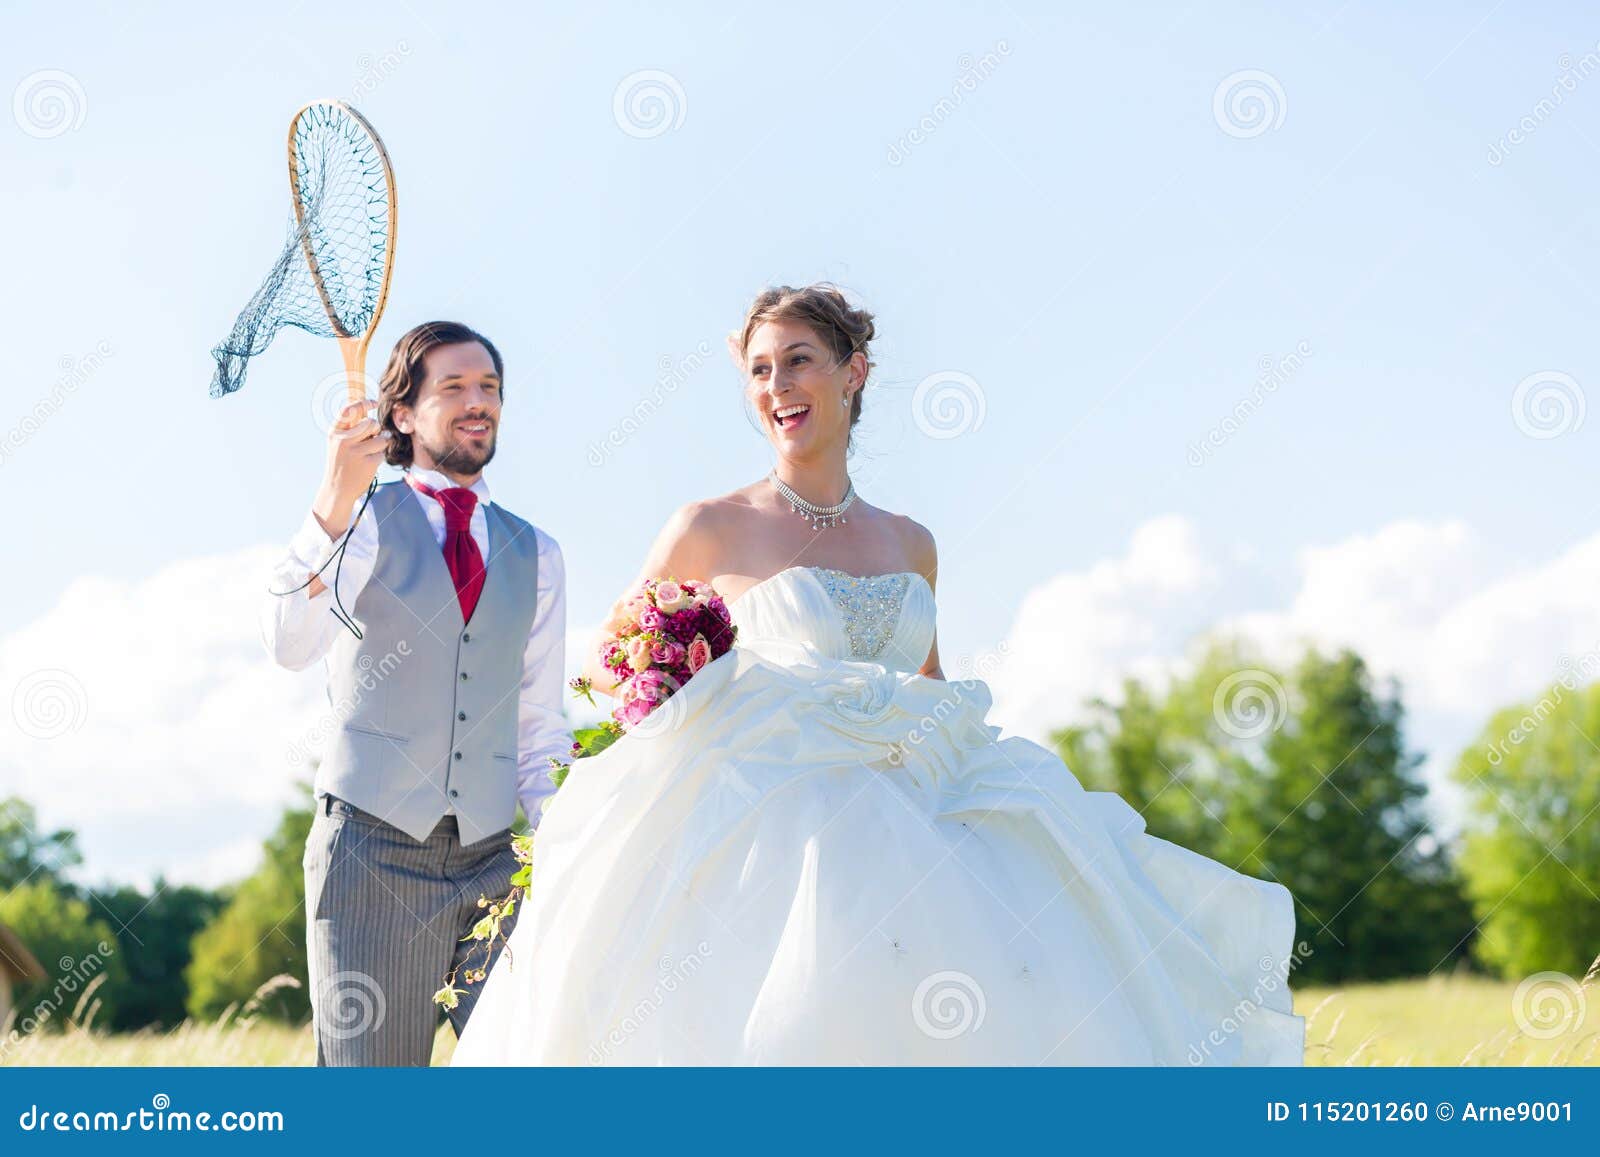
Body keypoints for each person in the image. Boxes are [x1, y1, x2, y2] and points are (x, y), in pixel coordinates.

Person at [451, 286, 1305, 1065]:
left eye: (798, 361)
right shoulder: (709, 526)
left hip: (927, 826)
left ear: (853, 372)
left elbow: (930, 688)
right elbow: (615, 668)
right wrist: (679, 671)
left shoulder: (911, 542)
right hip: (770, 827)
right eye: (758, 369)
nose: (775, 385)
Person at [260, 320, 570, 1065]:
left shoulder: (539, 553)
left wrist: (563, 841)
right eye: (454, 387)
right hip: (371, 853)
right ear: (403, 413)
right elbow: (288, 642)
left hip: (501, 860)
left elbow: (537, 724)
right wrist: (332, 501)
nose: (479, 402)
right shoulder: (362, 521)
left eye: (489, 387)